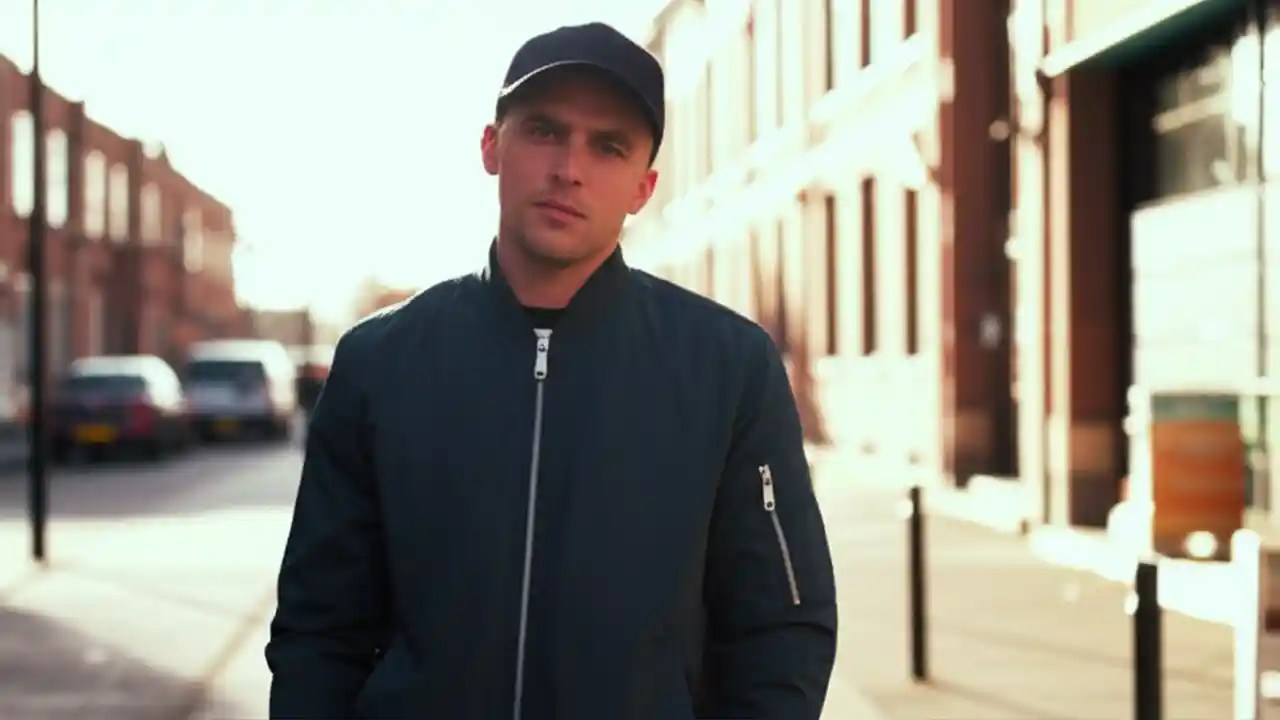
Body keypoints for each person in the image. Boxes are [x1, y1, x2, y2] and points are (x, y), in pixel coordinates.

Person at [266, 21, 837, 720]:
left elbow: (781, 628)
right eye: (544, 130)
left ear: (643, 187)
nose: (570, 167)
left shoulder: (729, 368)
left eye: (608, 146)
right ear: (490, 147)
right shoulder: (379, 363)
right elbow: (318, 626)